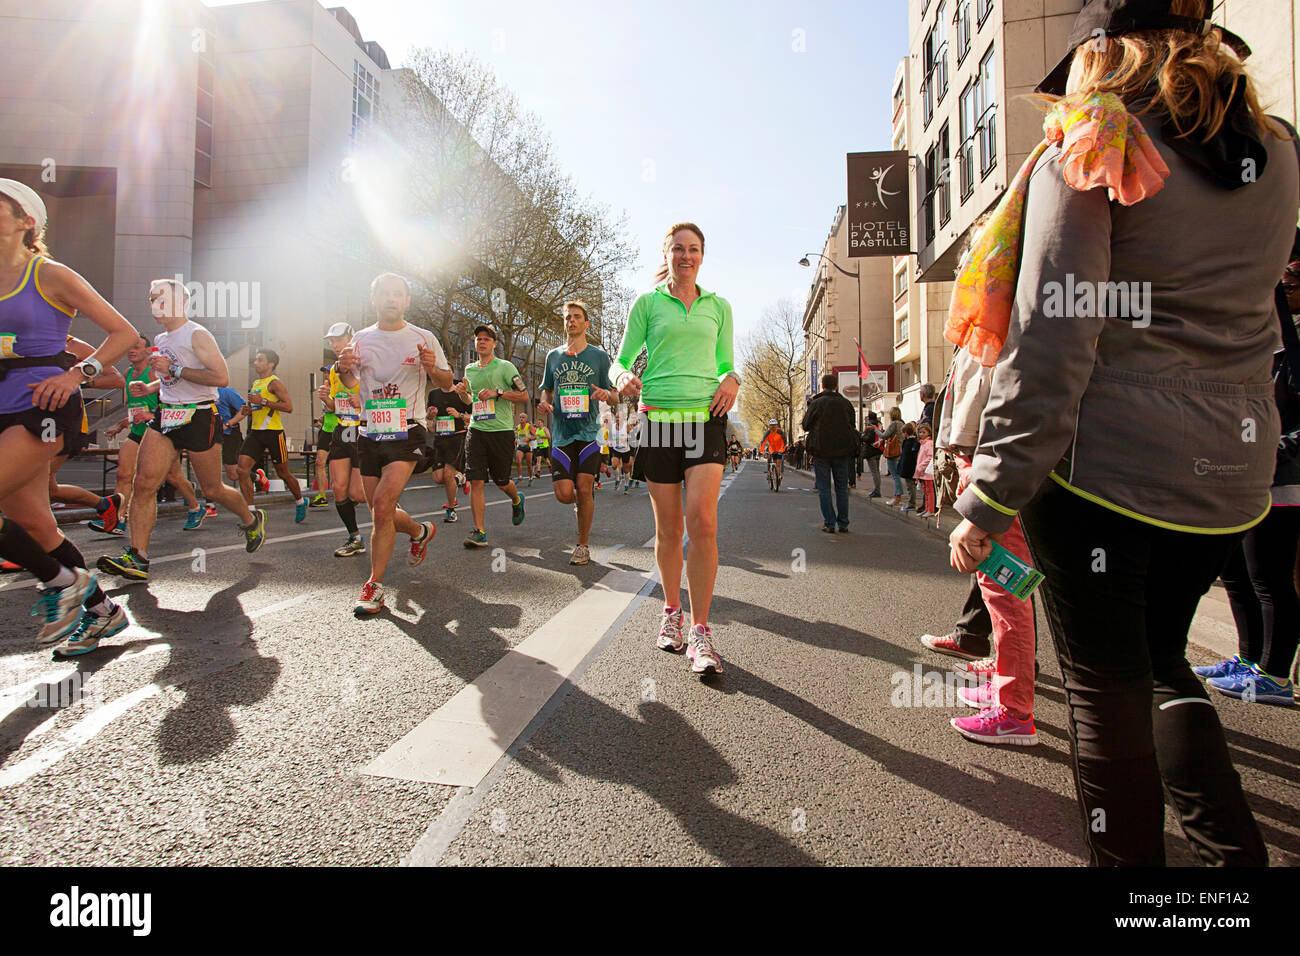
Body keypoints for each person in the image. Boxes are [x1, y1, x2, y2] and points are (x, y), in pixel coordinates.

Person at [947, 0, 1293, 865]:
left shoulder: (1094, 144)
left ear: (1103, 52)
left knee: (1107, 695)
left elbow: (1053, 343)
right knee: (1163, 663)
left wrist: (990, 495)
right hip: (1228, 475)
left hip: (1105, 474)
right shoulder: (1277, 151)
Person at [0, 178, 136, 649]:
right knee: (36, 523)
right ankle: (102, 612)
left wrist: (77, 374)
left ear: (25, 222)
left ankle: (60, 582)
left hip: (44, 405)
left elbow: (123, 333)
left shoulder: (50, 274)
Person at [612, 222, 737, 676]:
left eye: (694, 249)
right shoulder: (647, 304)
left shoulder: (718, 306)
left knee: (703, 521)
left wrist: (733, 379)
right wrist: (621, 377)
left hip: (705, 420)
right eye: (678, 249)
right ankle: (671, 612)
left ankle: (701, 630)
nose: (686, 256)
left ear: (702, 255)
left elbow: (726, 362)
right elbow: (620, 360)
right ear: (666, 255)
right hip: (659, 423)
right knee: (668, 529)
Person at [97, 278, 268, 591]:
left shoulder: (197, 334)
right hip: (167, 415)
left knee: (213, 489)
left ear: (180, 302)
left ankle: (252, 520)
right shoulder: (162, 338)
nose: (154, 304)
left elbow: (220, 377)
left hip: (201, 415)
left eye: (160, 297)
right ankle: (138, 557)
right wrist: (149, 386)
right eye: (151, 298)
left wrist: (172, 369)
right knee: (143, 483)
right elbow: (169, 381)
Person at [1196, 259, 1300, 705]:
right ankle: (1248, 658)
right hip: (1239, 477)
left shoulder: (1295, 350)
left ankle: (1275, 676)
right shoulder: (1267, 343)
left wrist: (1277, 450)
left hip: (1281, 480)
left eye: (1289, 281)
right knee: (1235, 572)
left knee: (1269, 578)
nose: (1280, 289)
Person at [334, 273, 450, 614]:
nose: (391, 299)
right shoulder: (361, 339)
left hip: (406, 430)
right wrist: (343, 371)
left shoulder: (422, 337)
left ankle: (374, 585)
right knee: (378, 510)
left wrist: (433, 368)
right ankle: (418, 531)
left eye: (397, 294)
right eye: (384, 293)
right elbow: (354, 384)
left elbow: (446, 380)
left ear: (406, 301)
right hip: (370, 431)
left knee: (383, 505)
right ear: (374, 299)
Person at [99, 333, 208, 533]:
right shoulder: (128, 373)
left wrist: (150, 415)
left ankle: (196, 507)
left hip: (160, 431)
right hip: (137, 431)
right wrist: (121, 425)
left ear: (148, 351)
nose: (131, 351)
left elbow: (173, 400)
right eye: (130, 347)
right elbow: (134, 406)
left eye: (137, 347)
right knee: (123, 474)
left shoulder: (154, 373)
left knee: (173, 476)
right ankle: (118, 518)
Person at [537, 300, 615, 565]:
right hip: (560, 433)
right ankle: (580, 502)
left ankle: (582, 545)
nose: (571, 320)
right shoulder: (553, 356)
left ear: (586, 324)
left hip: (589, 433)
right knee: (563, 493)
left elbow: (614, 395)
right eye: (567, 317)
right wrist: (545, 401)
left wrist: (607, 394)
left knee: (584, 488)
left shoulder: (599, 357)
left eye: (576, 316)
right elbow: (546, 387)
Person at [457, 324, 528, 547]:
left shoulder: (506, 367)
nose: (482, 342)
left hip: (501, 430)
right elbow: (471, 401)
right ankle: (479, 531)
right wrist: (462, 395)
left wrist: (497, 393)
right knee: (475, 479)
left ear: (494, 343)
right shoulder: (469, 370)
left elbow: (524, 395)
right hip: (477, 430)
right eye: (478, 339)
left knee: (501, 481)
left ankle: (516, 499)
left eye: (487, 339)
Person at [230, 348, 307, 523]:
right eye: (255, 360)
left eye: (260, 360)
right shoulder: (256, 383)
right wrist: (249, 410)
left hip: (274, 433)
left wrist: (263, 401)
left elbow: (288, 407)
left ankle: (301, 501)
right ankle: (251, 511)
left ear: (270, 364)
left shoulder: (275, 383)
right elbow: (258, 408)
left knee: (283, 473)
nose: (255, 363)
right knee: (241, 469)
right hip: (256, 433)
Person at [320, 323, 367, 556]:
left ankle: (388, 503)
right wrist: (326, 401)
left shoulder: (364, 361)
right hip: (341, 429)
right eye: (331, 341)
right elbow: (334, 405)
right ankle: (355, 537)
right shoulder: (333, 370)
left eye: (338, 339)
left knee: (358, 494)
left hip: (361, 431)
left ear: (351, 337)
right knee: (338, 488)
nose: (334, 344)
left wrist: (361, 400)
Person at [802, 372, 856, 533]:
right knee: (841, 488)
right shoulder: (846, 403)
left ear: (822, 386)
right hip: (842, 450)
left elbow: (805, 425)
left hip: (821, 450)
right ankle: (844, 522)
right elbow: (852, 425)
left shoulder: (817, 403)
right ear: (836, 386)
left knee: (824, 488)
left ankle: (830, 523)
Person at [428, 375, 471, 523]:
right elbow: (429, 419)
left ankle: (451, 510)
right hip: (440, 438)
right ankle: (462, 477)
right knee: (438, 477)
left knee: (448, 474)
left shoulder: (461, 393)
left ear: (451, 374)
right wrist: (430, 415)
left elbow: (475, 417)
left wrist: (458, 415)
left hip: (457, 437)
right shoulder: (433, 394)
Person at [880, 406, 904, 503]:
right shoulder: (902, 424)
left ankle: (897, 496)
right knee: (897, 474)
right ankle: (898, 495)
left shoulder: (893, 424)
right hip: (900, 450)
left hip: (893, 451)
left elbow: (884, 435)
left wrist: (875, 430)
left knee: (895, 475)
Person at [913, 423, 936, 517]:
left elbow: (930, 457)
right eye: (920, 432)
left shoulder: (929, 443)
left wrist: (921, 467)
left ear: (928, 433)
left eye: (924, 432)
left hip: (927, 471)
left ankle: (930, 509)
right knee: (926, 491)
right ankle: (927, 508)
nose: (921, 434)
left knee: (929, 491)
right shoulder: (923, 443)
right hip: (923, 471)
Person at [897, 423, 919, 512]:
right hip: (911, 468)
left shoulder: (908, 442)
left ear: (905, 433)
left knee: (910, 487)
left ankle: (911, 503)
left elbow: (906, 457)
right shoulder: (914, 442)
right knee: (910, 486)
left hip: (908, 468)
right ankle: (911, 503)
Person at [861, 412, 883, 498]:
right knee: (876, 471)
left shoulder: (870, 427)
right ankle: (877, 489)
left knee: (875, 472)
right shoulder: (878, 425)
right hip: (878, 450)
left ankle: (877, 490)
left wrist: (862, 436)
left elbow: (869, 439)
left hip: (871, 451)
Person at [758, 418, 786, 485]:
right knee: (773, 462)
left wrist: (782, 450)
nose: (773, 427)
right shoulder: (768, 433)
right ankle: (771, 473)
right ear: (769, 426)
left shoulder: (780, 432)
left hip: (780, 449)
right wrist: (762, 451)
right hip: (772, 449)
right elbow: (763, 442)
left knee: (778, 464)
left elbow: (784, 442)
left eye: (774, 425)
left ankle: (778, 477)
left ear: (776, 426)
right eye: (771, 425)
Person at [514, 413, 534, 486]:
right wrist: (516, 439)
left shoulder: (529, 426)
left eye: (523, 417)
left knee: (529, 464)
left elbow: (535, 436)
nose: (521, 419)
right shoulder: (517, 427)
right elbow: (516, 436)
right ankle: (520, 477)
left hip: (528, 447)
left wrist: (528, 438)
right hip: (520, 446)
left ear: (526, 419)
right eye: (520, 417)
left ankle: (531, 478)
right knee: (518, 461)